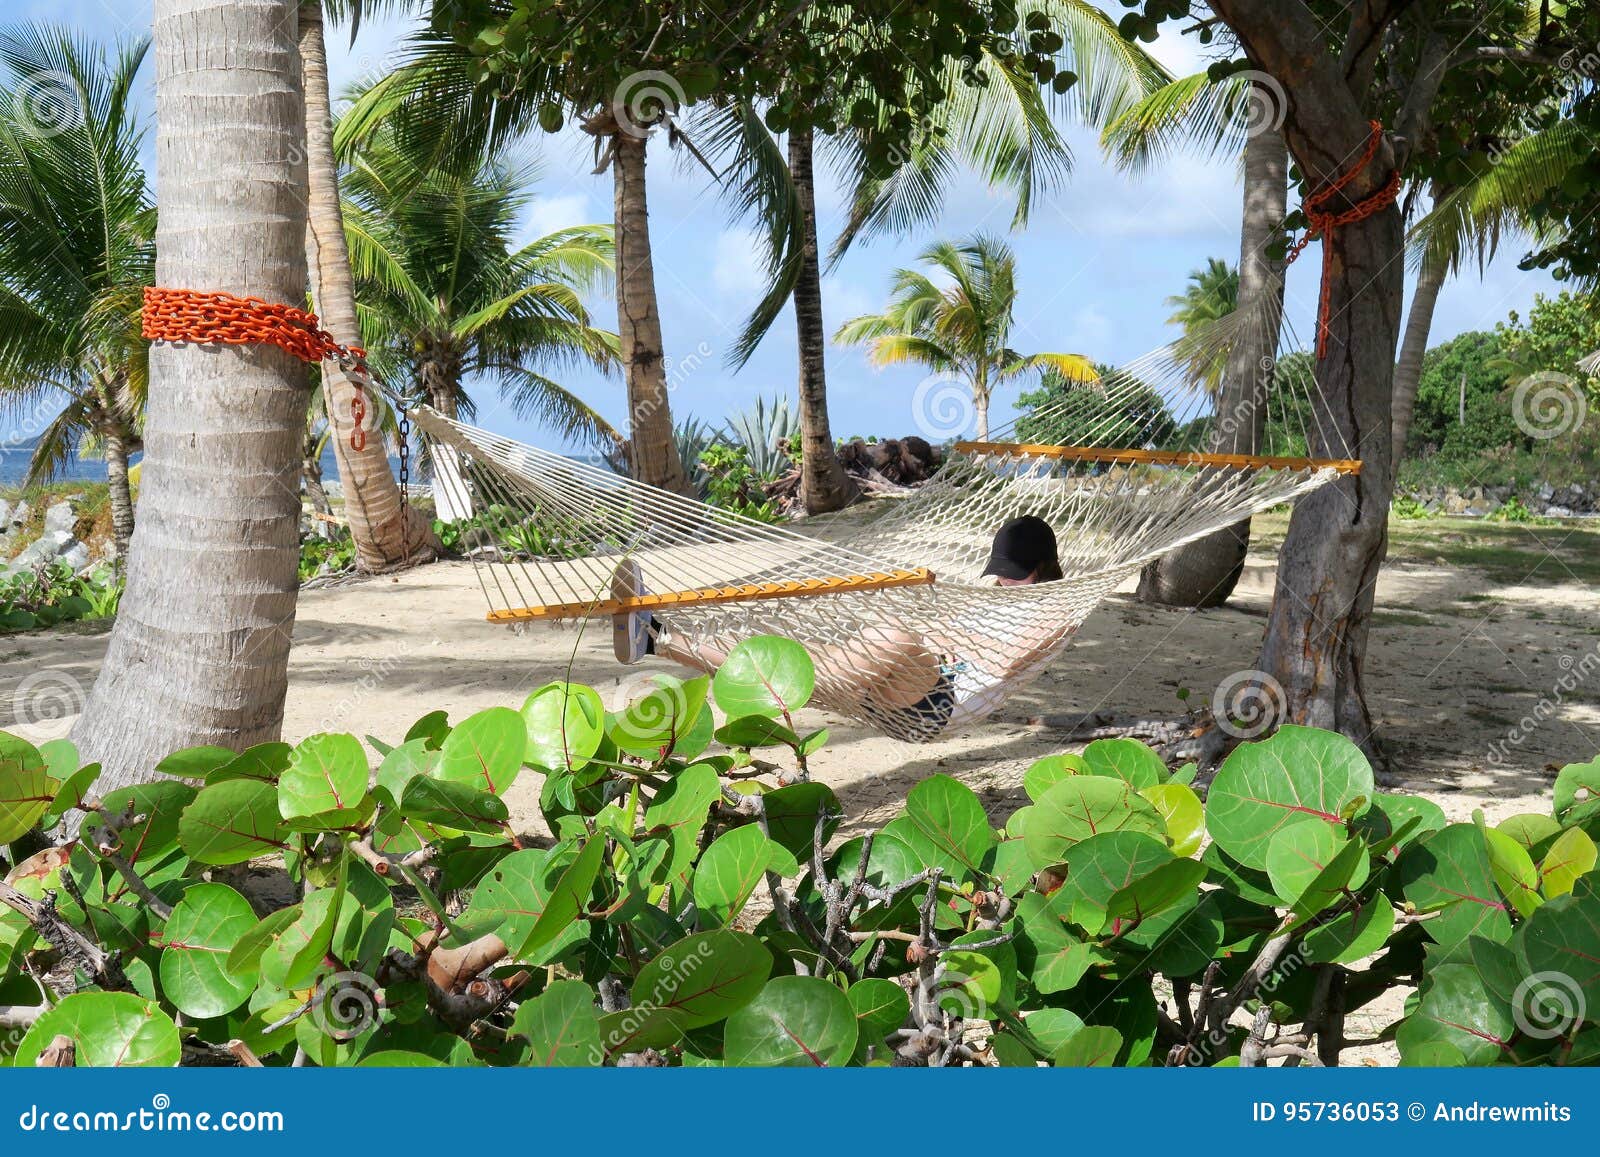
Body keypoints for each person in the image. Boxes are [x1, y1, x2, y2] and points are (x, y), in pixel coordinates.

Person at [612, 515, 1067, 741]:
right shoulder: (1000, 594)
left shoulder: (1054, 612)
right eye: (1000, 570)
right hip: (910, 682)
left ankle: (808, 685)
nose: (1005, 580)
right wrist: (946, 638)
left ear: (1043, 569)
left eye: (1017, 573)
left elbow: (1004, 662)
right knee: (773, 652)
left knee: (893, 635)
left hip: (942, 705)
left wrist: (949, 642)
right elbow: (948, 634)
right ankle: (655, 636)